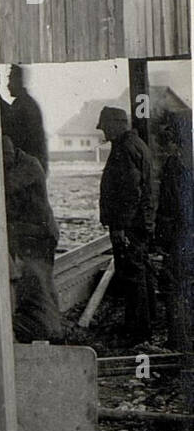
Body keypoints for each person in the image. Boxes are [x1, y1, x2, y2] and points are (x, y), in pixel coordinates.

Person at [98, 106, 156, 342]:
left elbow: (130, 192)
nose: (103, 132)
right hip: (139, 222)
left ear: (116, 123)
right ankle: (146, 321)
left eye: (105, 127)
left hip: (130, 224)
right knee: (141, 270)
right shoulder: (136, 144)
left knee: (132, 274)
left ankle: (136, 331)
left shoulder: (124, 148)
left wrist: (120, 226)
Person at [2, 134, 62, 342]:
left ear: (9, 154)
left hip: (40, 235)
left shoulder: (29, 166)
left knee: (40, 283)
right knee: (40, 283)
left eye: (3, 161)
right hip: (29, 234)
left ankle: (52, 332)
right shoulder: (16, 163)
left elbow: (6, 187)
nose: (2, 166)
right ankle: (50, 328)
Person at [155, 113, 193, 353]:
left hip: (182, 235)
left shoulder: (174, 164)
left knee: (174, 284)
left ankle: (179, 342)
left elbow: (170, 207)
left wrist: (161, 240)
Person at [1, 64, 48, 173]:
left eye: (10, 80)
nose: (8, 86)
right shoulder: (25, 103)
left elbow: (9, 131)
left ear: (19, 82)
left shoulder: (22, 106)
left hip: (29, 168)